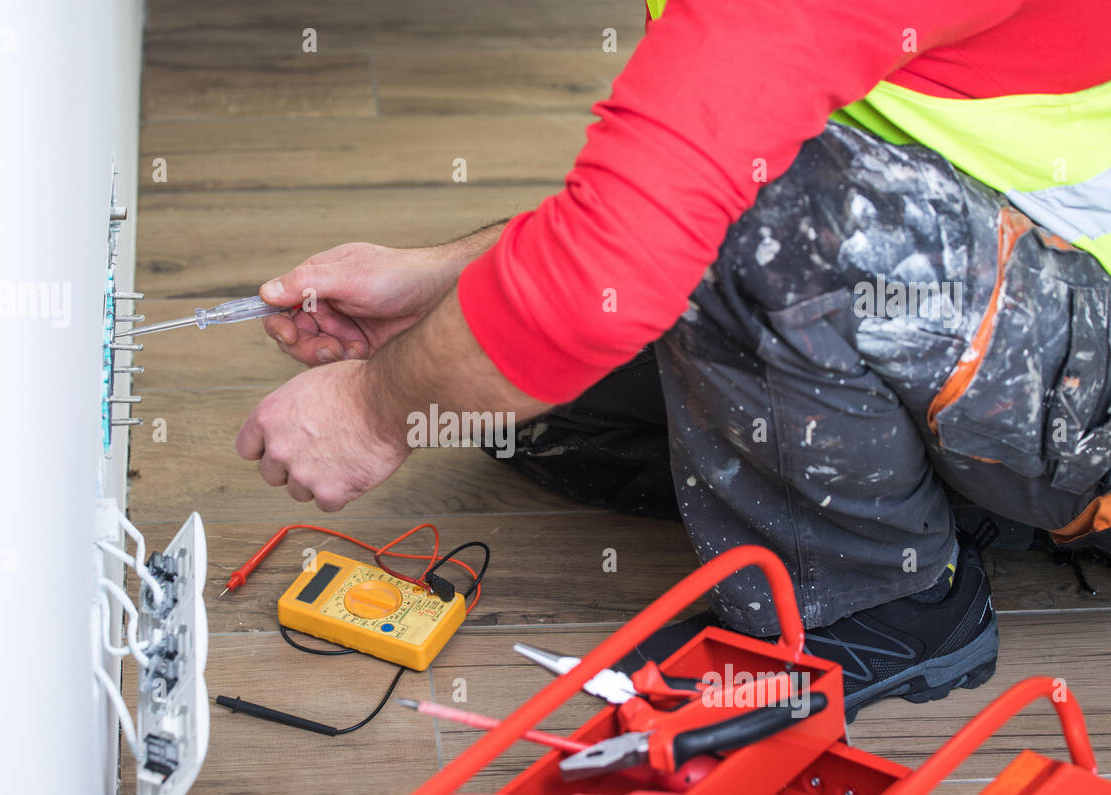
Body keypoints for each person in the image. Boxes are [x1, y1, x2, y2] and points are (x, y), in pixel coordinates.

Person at [235, 0, 1111, 717]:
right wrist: (447, 284)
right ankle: (946, 490)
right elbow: (679, 178)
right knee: (540, 410)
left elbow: (705, 221)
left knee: (722, 244)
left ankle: (883, 603)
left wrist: (372, 412)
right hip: (1020, 297)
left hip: (1090, 387)